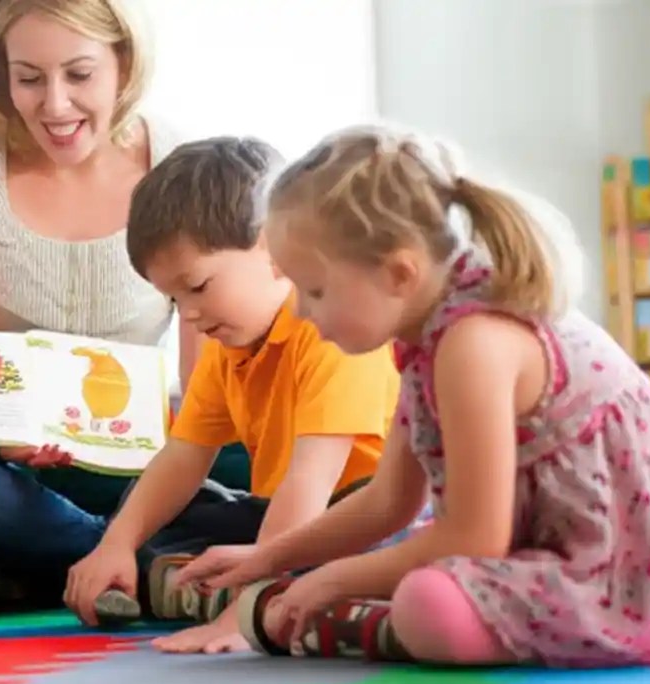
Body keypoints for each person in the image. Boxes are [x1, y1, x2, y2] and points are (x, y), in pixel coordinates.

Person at [182, 124, 650, 667]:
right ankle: (365, 620)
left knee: (427, 602)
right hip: (556, 553)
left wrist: (332, 578)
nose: (300, 311)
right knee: (416, 584)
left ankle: (370, 626)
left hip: (629, 576)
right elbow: (388, 501)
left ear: (398, 273)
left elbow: (474, 537)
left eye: (316, 290)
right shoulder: (426, 337)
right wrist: (268, 558)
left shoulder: (474, 342)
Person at [0, 0, 254, 613]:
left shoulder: (176, 167)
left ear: (123, 63)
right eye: (29, 78)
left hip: (137, 457)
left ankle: (30, 572)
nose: (54, 105)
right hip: (3, 467)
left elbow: (209, 390)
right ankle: (136, 564)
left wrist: (163, 447)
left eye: (78, 75)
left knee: (274, 454)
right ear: (0, 73)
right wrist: (1, 440)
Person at [63, 136, 403, 653]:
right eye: (174, 299)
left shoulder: (334, 329)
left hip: (358, 514)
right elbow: (183, 456)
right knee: (154, 521)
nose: (189, 314)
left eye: (197, 287)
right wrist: (116, 545)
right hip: (279, 516)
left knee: (348, 533)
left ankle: (253, 596)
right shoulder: (227, 344)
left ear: (276, 248)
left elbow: (311, 482)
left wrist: (245, 614)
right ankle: (217, 584)